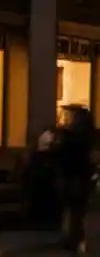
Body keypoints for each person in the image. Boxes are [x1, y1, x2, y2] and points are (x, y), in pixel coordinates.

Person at [54, 105, 94, 253]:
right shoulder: (85, 136)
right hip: (78, 175)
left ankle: (72, 237)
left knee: (72, 207)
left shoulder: (71, 137)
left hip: (73, 175)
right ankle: (75, 236)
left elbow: (64, 155)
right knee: (76, 209)